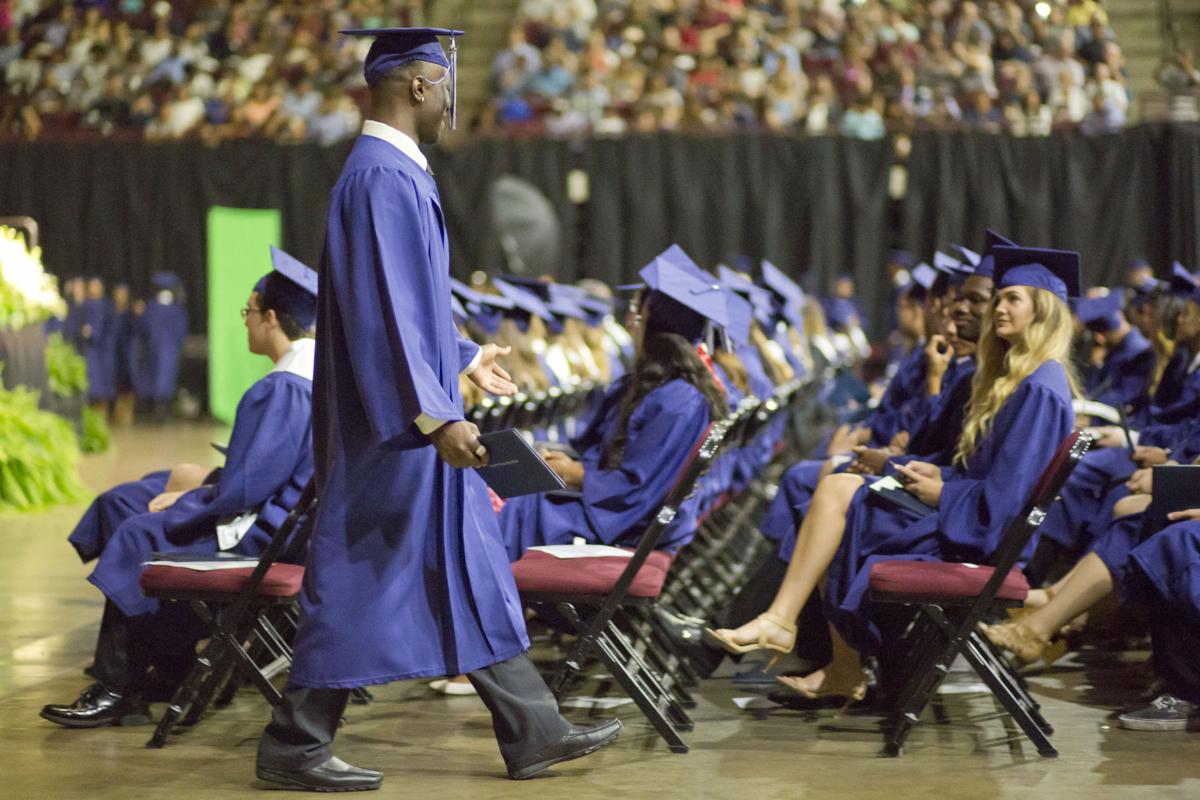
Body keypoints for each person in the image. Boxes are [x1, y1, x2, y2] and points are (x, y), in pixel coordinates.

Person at [254, 28, 619, 793]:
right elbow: (380, 314)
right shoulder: (380, 177)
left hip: (418, 422)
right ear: (419, 85)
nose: (452, 98)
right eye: (445, 83)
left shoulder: (392, 173)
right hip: (396, 434)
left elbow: (409, 311)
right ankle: (294, 742)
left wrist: (459, 361)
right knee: (363, 577)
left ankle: (534, 729)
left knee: (470, 566)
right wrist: (434, 414)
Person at [706, 246, 1080, 700]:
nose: (999, 308)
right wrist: (925, 471)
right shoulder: (1020, 379)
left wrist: (941, 492)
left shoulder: (1040, 389)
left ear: (1043, 311)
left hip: (980, 535)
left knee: (836, 497)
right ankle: (814, 646)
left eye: (1012, 299)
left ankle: (794, 630)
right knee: (831, 499)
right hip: (967, 513)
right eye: (999, 297)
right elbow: (985, 475)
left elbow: (1004, 501)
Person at [42, 247, 320, 728]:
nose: (245, 323)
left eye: (248, 313)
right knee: (147, 514)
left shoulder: (283, 387)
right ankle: (169, 669)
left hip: (264, 538)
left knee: (138, 531)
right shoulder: (315, 375)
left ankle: (116, 686)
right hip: (291, 528)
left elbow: (246, 488)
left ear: (272, 317)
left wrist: (193, 497)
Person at [498, 249, 730, 561]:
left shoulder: (678, 401)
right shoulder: (662, 389)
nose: (632, 327)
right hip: (623, 516)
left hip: (628, 528)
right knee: (512, 488)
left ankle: (488, 601)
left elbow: (638, 488)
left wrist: (577, 474)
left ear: (655, 330)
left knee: (521, 504)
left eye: (639, 317)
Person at [134, 272, 188, 421]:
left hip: (153, 350)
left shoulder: (151, 307)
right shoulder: (178, 309)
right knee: (166, 380)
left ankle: (153, 411)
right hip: (170, 351)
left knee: (154, 379)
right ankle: (164, 411)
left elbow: (143, 328)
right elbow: (182, 331)